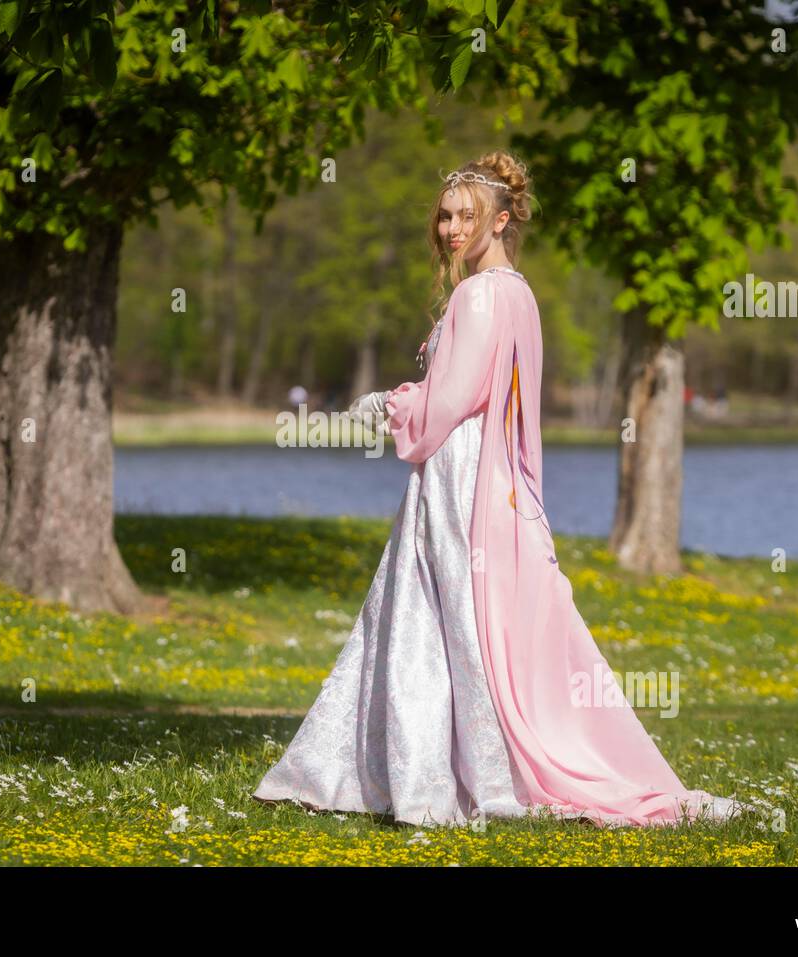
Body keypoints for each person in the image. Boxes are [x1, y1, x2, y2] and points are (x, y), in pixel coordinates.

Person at [252, 151, 757, 828]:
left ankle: (434, 769)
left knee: (445, 618)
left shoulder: (481, 294)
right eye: (444, 214)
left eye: (466, 215)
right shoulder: (517, 293)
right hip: (487, 476)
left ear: (502, 218)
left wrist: (391, 404)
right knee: (450, 618)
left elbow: (454, 398)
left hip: (462, 474)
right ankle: (424, 759)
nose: (450, 228)